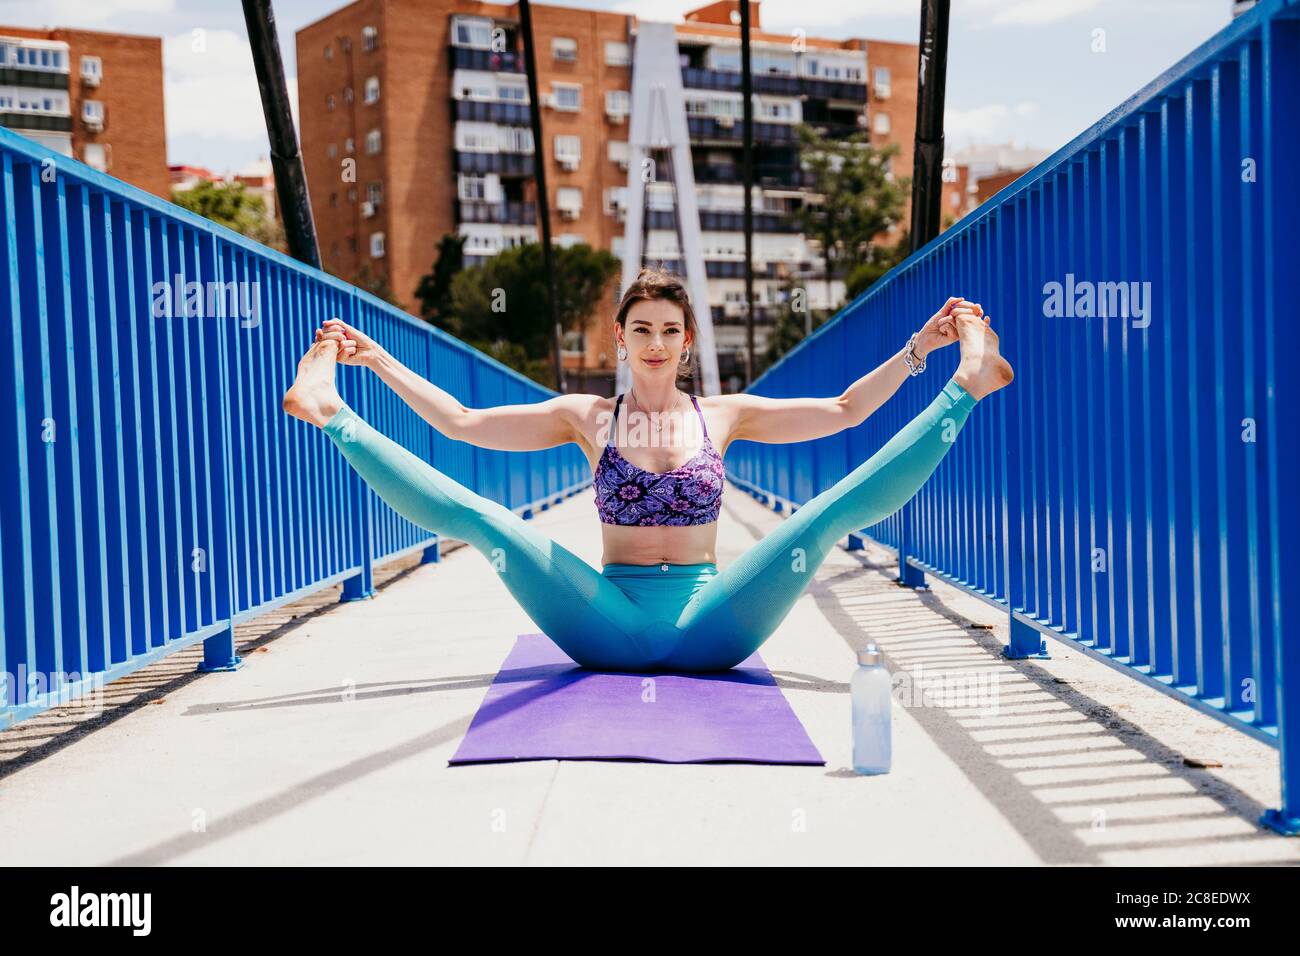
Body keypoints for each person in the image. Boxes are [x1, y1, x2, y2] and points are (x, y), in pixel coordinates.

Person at [282, 268, 1012, 671]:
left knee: (821, 517)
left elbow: (848, 409)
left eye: (669, 330)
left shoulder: (724, 417)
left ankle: (963, 386)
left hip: (714, 619)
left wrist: (920, 346)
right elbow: (464, 425)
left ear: (687, 339)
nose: (656, 343)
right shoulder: (587, 418)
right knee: (484, 518)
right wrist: (377, 362)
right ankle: (330, 410)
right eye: (642, 330)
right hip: (606, 622)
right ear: (621, 339)